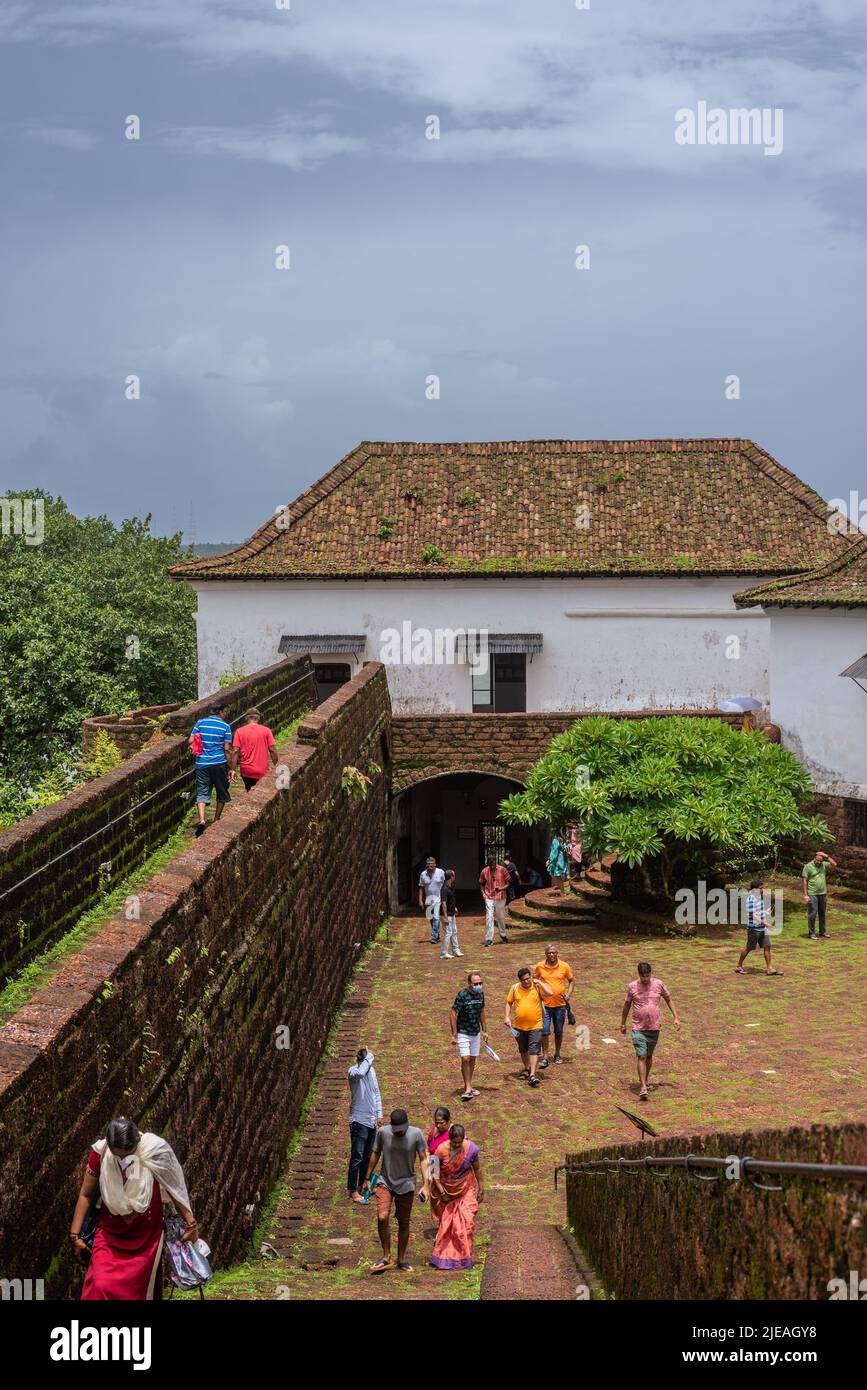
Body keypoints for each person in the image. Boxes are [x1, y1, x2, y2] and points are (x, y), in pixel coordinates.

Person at [70, 1117, 197, 1300]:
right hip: (110, 1234)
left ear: (137, 1142)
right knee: (99, 1286)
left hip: (146, 1236)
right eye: (118, 1155)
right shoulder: (101, 1153)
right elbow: (86, 1194)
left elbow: (174, 1186)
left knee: (136, 1292)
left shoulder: (154, 1150)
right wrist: (74, 1235)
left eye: (128, 1153)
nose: (123, 1159)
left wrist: (190, 1222)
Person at [363, 1108, 430, 1274]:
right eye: (396, 1130)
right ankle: (386, 1256)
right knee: (382, 1216)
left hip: (407, 1183)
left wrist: (426, 1184)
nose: (399, 1133)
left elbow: (424, 1159)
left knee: (403, 1221)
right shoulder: (383, 1133)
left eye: (402, 1130)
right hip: (386, 1181)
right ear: (391, 1126)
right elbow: (375, 1153)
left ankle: (401, 1258)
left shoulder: (416, 1134)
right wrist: (367, 1177)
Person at [620, 961, 681, 1102]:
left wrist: (676, 1017)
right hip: (638, 1028)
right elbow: (627, 1005)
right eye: (643, 976)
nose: (646, 979)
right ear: (639, 975)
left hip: (654, 1027)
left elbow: (668, 999)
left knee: (649, 1056)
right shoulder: (632, 987)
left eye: (648, 976)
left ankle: (645, 1081)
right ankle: (643, 1087)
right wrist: (622, 1023)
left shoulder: (659, 984)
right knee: (641, 1055)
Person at [429, 1124, 484, 1271]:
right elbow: (433, 1173)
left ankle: (464, 1256)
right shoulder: (439, 1150)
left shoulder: (471, 1149)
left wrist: (481, 1188)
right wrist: (442, 1192)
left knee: (467, 1222)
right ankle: (447, 1256)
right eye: (455, 1143)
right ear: (450, 1139)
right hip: (447, 1191)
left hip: (466, 1189)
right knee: (448, 1225)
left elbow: (477, 1169)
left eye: (460, 1143)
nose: (458, 1145)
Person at [190, 701, 234, 837]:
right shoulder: (225, 727)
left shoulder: (200, 723)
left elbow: (190, 741)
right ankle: (216, 819)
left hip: (201, 763)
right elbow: (227, 749)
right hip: (219, 763)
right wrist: (231, 768)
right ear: (221, 712)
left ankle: (202, 820)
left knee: (202, 791)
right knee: (222, 790)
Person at [504, 966, 553, 1086]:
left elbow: (550, 993)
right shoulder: (515, 988)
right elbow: (509, 1003)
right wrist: (506, 1016)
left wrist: (540, 982)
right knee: (523, 1049)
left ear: (531, 977)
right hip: (519, 1026)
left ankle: (532, 1074)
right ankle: (527, 1067)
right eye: (523, 979)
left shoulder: (536, 987)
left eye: (528, 978)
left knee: (534, 1049)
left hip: (535, 1025)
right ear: (520, 980)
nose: (526, 981)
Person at [347, 1046, 383, 1204]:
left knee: (368, 1156)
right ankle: (353, 1190)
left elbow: (376, 1092)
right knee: (357, 1156)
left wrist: (379, 1113)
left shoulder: (372, 1071)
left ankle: (363, 1185)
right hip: (358, 1120)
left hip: (370, 1120)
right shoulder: (353, 1072)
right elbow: (361, 1072)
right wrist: (369, 1057)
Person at [534, 943, 575, 1066]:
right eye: (549, 953)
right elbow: (535, 981)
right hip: (545, 1005)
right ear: (546, 954)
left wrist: (568, 994)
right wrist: (538, 995)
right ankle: (545, 1056)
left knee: (558, 1031)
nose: (551, 955)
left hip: (560, 1005)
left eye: (553, 952)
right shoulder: (540, 966)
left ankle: (557, 1053)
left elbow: (571, 981)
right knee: (545, 1031)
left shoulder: (564, 966)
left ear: (557, 953)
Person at [450, 972, 488, 1101]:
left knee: (472, 1059)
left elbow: (482, 1012)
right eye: (476, 984)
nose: (479, 986)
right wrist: (454, 1034)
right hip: (463, 1031)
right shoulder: (462, 995)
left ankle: (469, 1085)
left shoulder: (480, 994)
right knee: (465, 1058)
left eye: (480, 983)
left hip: (475, 1031)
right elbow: (453, 1013)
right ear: (469, 984)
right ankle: (467, 1089)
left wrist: (485, 1030)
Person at [735, 879, 782, 976]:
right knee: (749, 948)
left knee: (767, 947)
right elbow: (752, 915)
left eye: (762, 888)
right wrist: (765, 923)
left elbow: (758, 912)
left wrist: (766, 912)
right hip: (754, 928)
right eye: (761, 888)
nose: (762, 890)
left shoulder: (760, 897)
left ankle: (769, 968)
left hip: (762, 928)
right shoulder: (751, 899)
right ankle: (739, 966)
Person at [231, 707, 277, 790]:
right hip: (262, 770)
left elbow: (235, 751)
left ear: (246, 718)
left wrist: (233, 770)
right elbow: (272, 750)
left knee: (249, 790)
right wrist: (276, 765)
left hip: (246, 771)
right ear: (258, 718)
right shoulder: (266, 731)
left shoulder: (239, 731)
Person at [802, 850, 838, 940]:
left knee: (822, 914)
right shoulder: (808, 866)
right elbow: (804, 881)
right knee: (813, 913)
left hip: (823, 893)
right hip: (812, 893)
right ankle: (811, 933)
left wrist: (826, 855)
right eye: (817, 860)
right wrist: (806, 895)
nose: (818, 862)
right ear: (814, 858)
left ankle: (822, 932)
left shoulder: (823, 864)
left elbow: (835, 864)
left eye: (820, 861)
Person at [479, 854, 510, 946]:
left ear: (496, 862)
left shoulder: (502, 870)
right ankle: (489, 939)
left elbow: (509, 882)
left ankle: (503, 934)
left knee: (500, 916)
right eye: (490, 864)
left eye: (493, 863)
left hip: (501, 896)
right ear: (488, 863)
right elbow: (481, 883)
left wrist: (501, 888)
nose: (492, 866)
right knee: (489, 916)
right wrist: (483, 893)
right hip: (489, 896)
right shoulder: (484, 871)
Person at [419, 856, 446, 946]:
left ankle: (434, 937)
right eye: (428, 864)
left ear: (435, 864)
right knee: (430, 918)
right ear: (426, 865)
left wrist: (445, 897)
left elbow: (445, 885)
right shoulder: (423, 874)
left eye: (432, 864)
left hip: (438, 898)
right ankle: (437, 934)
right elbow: (421, 888)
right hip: (428, 899)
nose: (430, 866)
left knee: (436, 917)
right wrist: (420, 900)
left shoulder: (440, 872)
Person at [439, 870, 462, 959]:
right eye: (454, 876)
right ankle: (443, 952)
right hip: (446, 914)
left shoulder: (450, 887)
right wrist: (445, 916)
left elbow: (451, 900)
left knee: (454, 931)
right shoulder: (444, 888)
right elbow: (443, 903)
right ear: (451, 877)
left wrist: (454, 908)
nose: (455, 877)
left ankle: (455, 950)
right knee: (448, 933)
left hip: (451, 913)